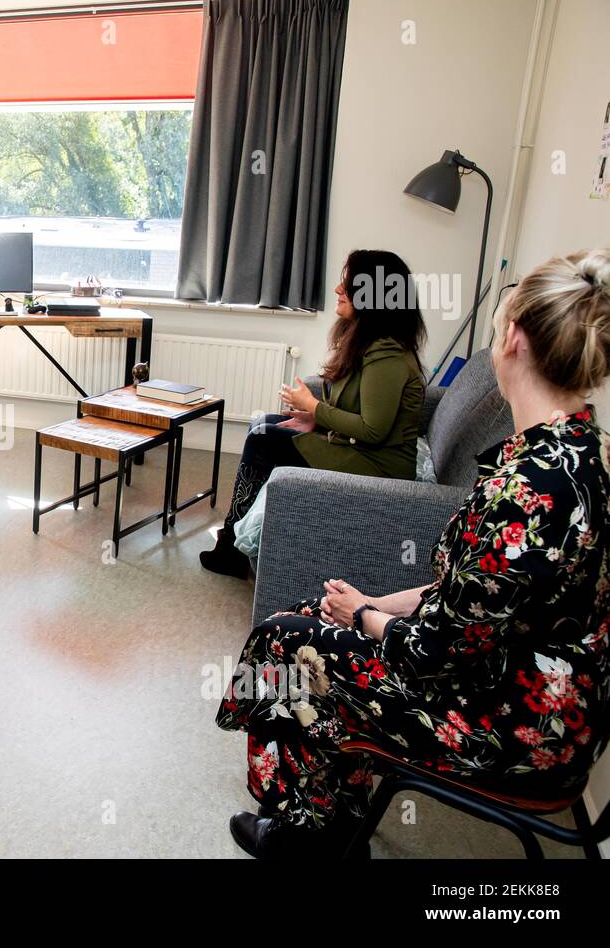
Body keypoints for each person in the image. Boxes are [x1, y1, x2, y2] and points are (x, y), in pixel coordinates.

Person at [215, 248, 610, 858]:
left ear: (514, 339)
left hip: (511, 720)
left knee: (282, 640)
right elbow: (471, 597)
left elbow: (433, 649)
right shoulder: (583, 453)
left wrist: (367, 618)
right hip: (538, 692)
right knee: (312, 620)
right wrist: (372, 604)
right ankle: (329, 815)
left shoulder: (529, 489)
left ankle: (304, 833)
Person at [201, 250, 427, 578]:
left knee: (264, 440)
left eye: (346, 283)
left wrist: (313, 406)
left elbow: (374, 430)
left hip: (378, 466)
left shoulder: (385, 353)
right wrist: (316, 419)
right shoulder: (368, 341)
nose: (337, 289)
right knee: (265, 425)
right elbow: (358, 411)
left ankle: (231, 547)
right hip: (359, 450)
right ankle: (236, 538)